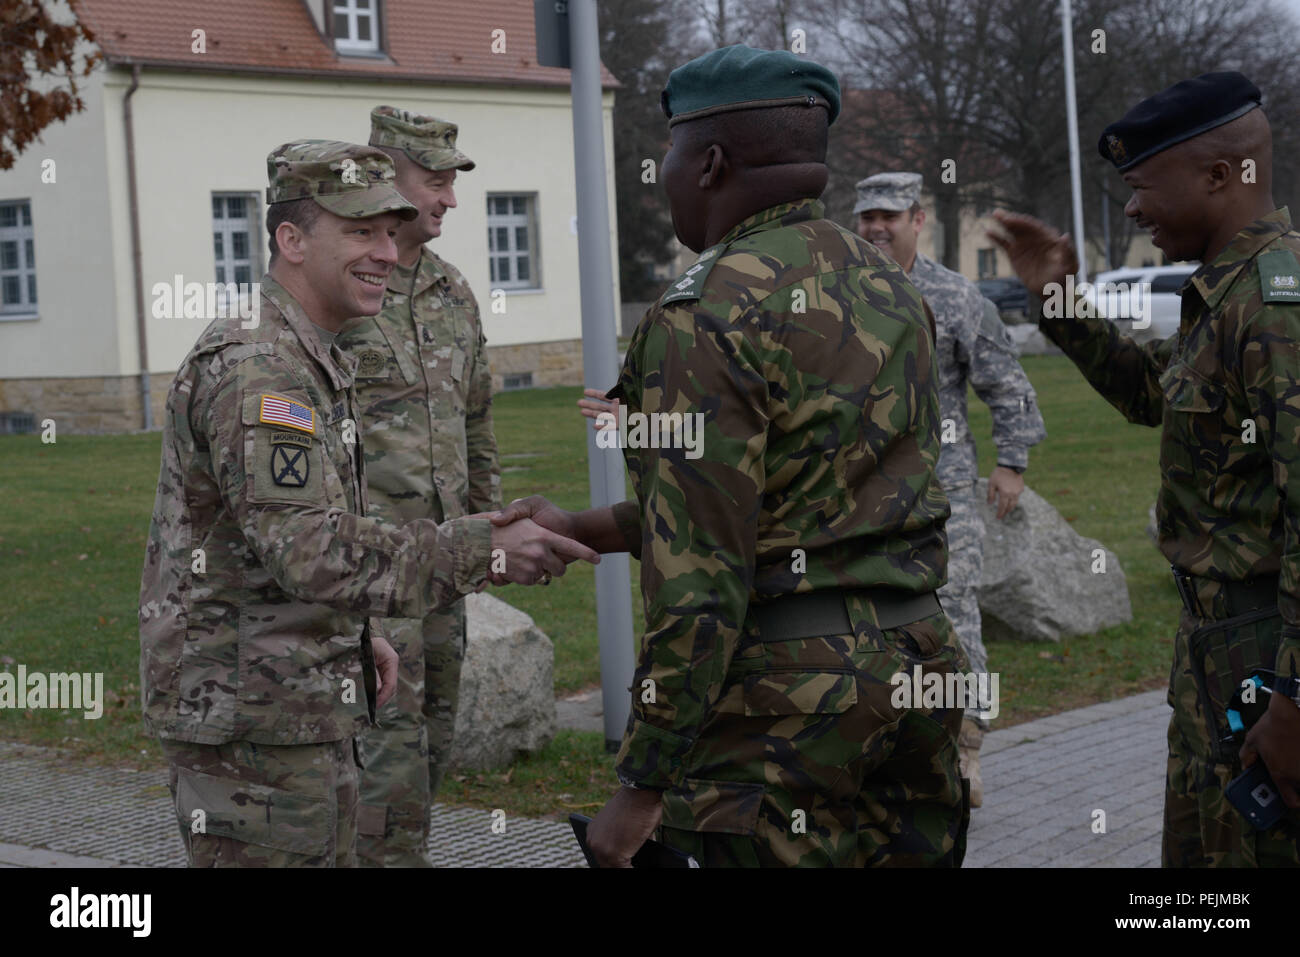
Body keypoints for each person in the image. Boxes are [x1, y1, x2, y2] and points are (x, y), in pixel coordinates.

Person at [502, 44, 968, 867]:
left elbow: (703, 576)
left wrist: (641, 786)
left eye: (671, 157)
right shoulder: (889, 284)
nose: (667, 177)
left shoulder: (703, 311)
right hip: (919, 669)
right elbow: (782, 498)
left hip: (781, 712)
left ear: (710, 161)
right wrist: (578, 524)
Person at [139, 140, 597, 867]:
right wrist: (484, 549)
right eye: (361, 231)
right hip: (255, 721)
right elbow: (310, 549)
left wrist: (358, 633)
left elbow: (290, 544)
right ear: (291, 240)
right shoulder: (262, 372)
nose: (387, 251)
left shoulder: (310, 356)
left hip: (297, 697)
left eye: (391, 230)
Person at [988, 71, 1300, 866]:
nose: (1131, 208)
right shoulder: (1225, 295)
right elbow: (1151, 393)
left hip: (1271, 663)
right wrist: (1057, 300)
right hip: (1220, 656)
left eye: (1141, 186)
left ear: (1220, 176)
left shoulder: (1275, 306)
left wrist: (1295, 702)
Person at [333, 106, 501, 868]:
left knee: (429, 753)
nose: (449, 199)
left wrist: (489, 540)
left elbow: (478, 426)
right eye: (435, 181)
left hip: (444, 580)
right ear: (386, 178)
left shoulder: (451, 291)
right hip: (369, 578)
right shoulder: (342, 290)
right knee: (382, 770)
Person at [852, 171, 1046, 806]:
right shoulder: (841, 296)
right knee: (869, 624)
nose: (876, 227)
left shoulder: (957, 297)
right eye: (866, 217)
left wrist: (1011, 462)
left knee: (955, 618)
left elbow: (1008, 384)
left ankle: (966, 751)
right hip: (859, 495)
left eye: (890, 216)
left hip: (946, 492)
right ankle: (888, 752)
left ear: (918, 220)